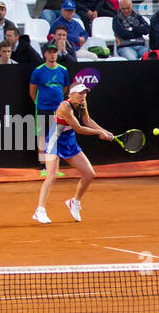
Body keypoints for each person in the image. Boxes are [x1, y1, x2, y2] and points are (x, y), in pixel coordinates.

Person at [33, 82, 113, 225]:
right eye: (80, 93)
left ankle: (74, 202)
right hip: (54, 142)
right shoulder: (64, 107)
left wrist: (105, 131)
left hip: (69, 142)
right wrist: (99, 132)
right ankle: (40, 210)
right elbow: (79, 128)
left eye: (85, 93)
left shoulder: (82, 104)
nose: (83, 96)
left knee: (89, 174)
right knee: (51, 175)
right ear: (71, 94)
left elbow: (87, 121)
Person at [29, 40, 68, 171]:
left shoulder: (63, 70)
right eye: (50, 52)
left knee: (56, 137)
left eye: (54, 52)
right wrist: (40, 103)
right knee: (42, 136)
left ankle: (54, 167)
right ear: (45, 54)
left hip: (58, 109)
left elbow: (64, 88)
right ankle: (42, 167)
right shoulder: (38, 71)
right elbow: (32, 91)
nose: (52, 55)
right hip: (42, 108)